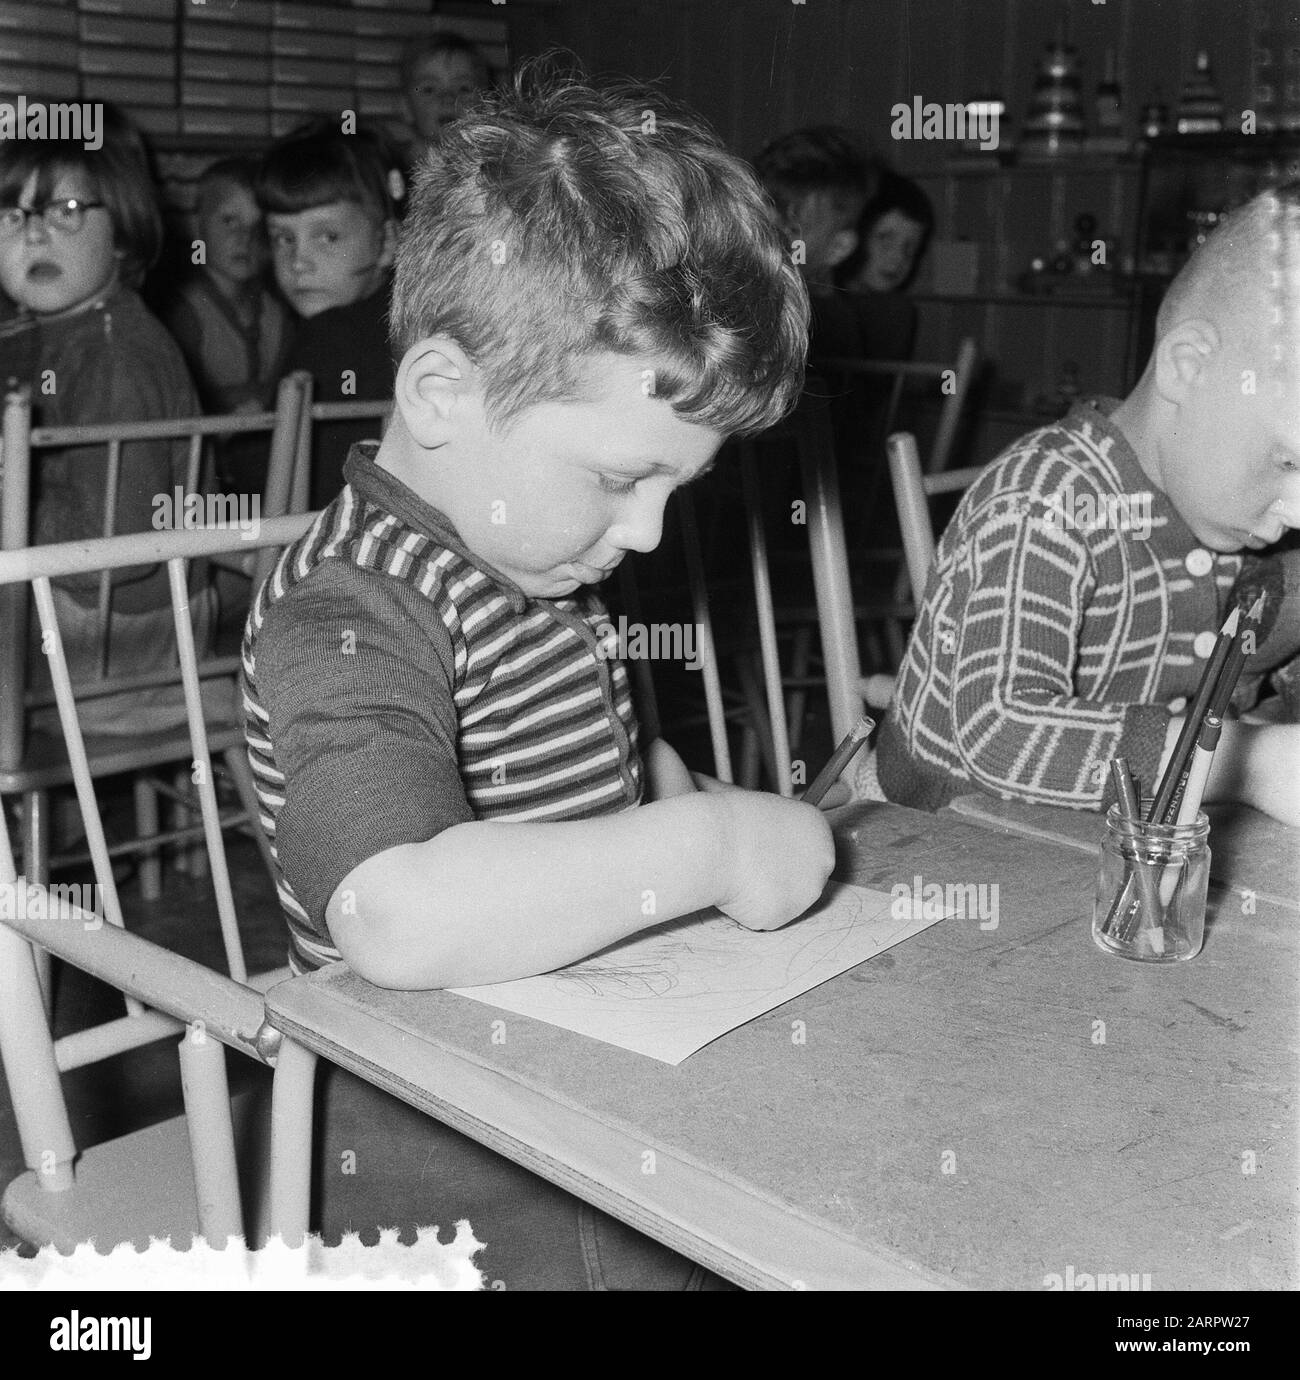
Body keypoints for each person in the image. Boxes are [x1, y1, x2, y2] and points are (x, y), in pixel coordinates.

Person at [241, 62, 835, 1289]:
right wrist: (708, 847)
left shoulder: (534, 551)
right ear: (446, 394)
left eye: (680, 487)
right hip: (430, 1143)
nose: (650, 537)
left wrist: (682, 793)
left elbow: (585, 763)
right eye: (623, 479)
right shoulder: (346, 608)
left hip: (574, 1064)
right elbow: (392, 914)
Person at [875, 183, 1300, 824]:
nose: (1298, 508)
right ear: (1188, 367)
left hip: (1116, 842)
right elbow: (998, 730)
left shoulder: (1235, 511)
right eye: (1290, 460)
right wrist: (1245, 761)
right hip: (954, 843)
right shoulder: (1044, 501)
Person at [0, 106, 219, 734]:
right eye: (12, 216)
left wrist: (18, 503)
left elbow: (119, 549)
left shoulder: (113, 355)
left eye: (66, 212)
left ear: (122, 232)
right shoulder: (45, 332)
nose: (34, 236)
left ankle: (185, 699)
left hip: (121, 629)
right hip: (88, 610)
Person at [256, 120, 401, 509]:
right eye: (283, 238)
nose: (298, 261)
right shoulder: (402, 315)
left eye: (328, 236)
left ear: (386, 241)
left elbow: (274, 478)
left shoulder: (330, 334)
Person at [165, 158, 293, 493]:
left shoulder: (278, 310)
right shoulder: (183, 312)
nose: (245, 238)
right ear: (196, 226)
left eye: (257, 225)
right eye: (229, 220)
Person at [838, 167, 935, 361]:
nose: (898, 257)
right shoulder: (823, 306)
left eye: (910, 249)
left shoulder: (896, 312)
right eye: (885, 239)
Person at [400, 30, 491, 159]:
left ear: (486, 105)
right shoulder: (392, 173)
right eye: (429, 89)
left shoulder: (498, 173)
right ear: (406, 107)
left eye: (463, 89)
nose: (448, 99)